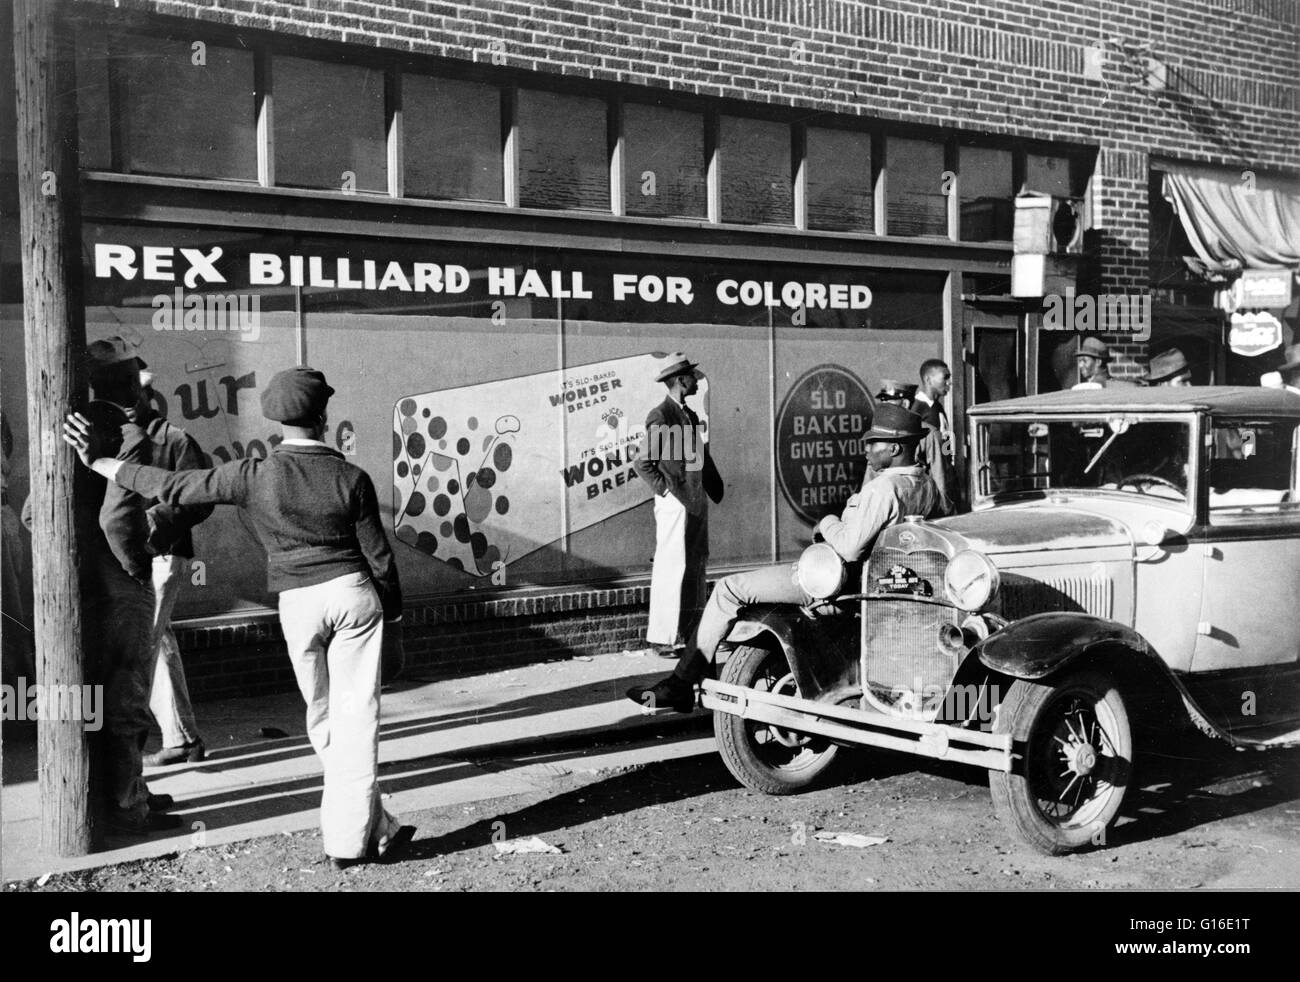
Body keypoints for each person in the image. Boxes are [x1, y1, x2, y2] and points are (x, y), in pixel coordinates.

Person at [64, 366, 414, 868]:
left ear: (274, 418)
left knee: (321, 719)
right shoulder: (352, 477)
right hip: (354, 596)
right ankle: (352, 840)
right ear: (324, 416)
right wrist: (396, 626)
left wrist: (101, 460)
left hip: (296, 604)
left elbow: (171, 485)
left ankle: (372, 828)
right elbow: (380, 560)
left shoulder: (251, 474)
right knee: (356, 720)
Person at [627, 403, 939, 713]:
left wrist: (826, 522)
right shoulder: (925, 485)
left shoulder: (884, 489)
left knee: (728, 589)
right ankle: (700, 674)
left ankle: (681, 683)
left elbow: (849, 547)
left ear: (896, 448)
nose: (866, 449)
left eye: (873, 443)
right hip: (870, 585)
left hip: (834, 581)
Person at [82, 337, 180, 834]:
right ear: (128, 380)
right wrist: (137, 564)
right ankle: (128, 806)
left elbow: (36, 513)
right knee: (127, 696)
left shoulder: (78, 426)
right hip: (122, 579)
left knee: (105, 696)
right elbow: (118, 517)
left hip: (90, 581)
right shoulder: (129, 432)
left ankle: (128, 790)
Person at [129, 371, 214, 767]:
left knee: (141, 643)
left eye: (136, 392)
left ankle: (132, 742)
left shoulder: (176, 440)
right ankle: (183, 738)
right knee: (158, 642)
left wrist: (157, 520)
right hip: (131, 557)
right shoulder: (114, 437)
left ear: (150, 395)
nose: (129, 400)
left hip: (163, 556)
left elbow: (201, 499)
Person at [633, 353, 724, 658]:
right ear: (681, 380)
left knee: (695, 567)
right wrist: (665, 491)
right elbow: (643, 462)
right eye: (692, 376)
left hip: (695, 502)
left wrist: (713, 486)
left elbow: (700, 456)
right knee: (672, 568)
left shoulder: (690, 416)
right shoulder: (661, 416)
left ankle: (689, 635)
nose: (696, 380)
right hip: (676, 503)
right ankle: (663, 638)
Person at [912, 359, 957, 515]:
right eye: (945, 377)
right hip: (933, 488)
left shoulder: (937, 407)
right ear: (928, 379)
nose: (949, 382)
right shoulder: (918, 411)